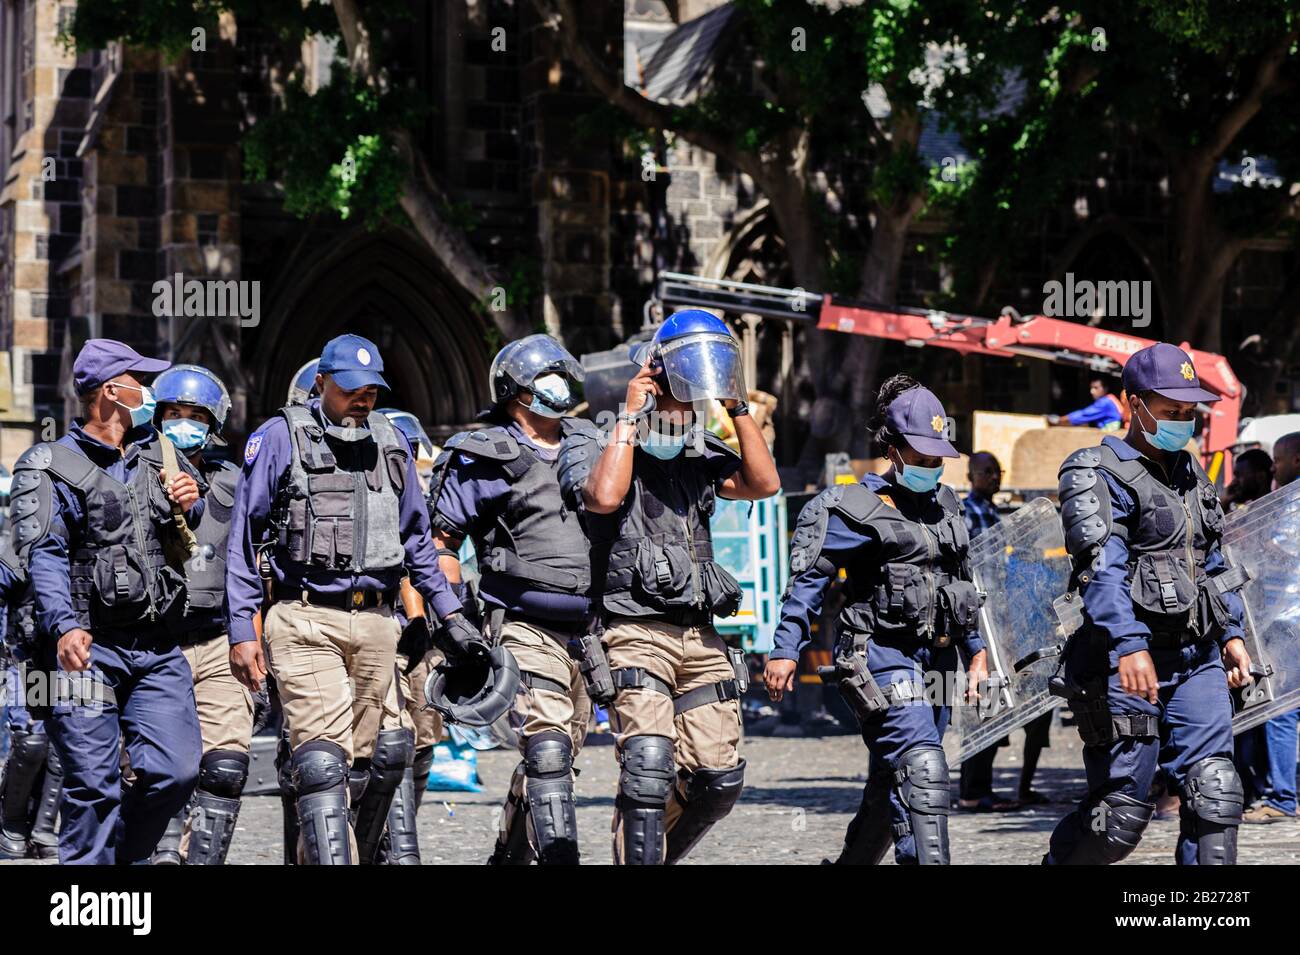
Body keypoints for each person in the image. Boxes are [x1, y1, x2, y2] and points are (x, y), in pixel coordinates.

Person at [225, 333, 473, 865]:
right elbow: (243, 541)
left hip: (377, 622)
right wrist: (243, 629)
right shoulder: (279, 437)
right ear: (322, 383)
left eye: (371, 391)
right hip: (304, 616)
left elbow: (416, 540)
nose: (362, 399)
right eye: (351, 389)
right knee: (320, 764)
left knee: (372, 762)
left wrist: (449, 614)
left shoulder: (391, 443)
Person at [559, 309, 780, 865]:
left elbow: (764, 483)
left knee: (718, 781)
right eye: (679, 393)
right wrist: (630, 419)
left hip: (701, 637)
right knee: (649, 766)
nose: (688, 408)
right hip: (632, 630)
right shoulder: (594, 439)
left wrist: (736, 405)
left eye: (696, 396)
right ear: (652, 384)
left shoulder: (699, 452)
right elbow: (604, 499)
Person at [764, 375, 989, 865]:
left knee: (893, 781)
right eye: (923, 454)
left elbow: (962, 587)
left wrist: (976, 654)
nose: (933, 466)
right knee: (924, 770)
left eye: (939, 456)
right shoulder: (851, 508)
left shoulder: (949, 507)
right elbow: (807, 582)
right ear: (891, 446)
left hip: (938, 661)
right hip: (878, 657)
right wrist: (785, 649)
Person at [1045, 343, 1252, 864]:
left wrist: (1231, 634)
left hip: (1196, 657)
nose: (1184, 420)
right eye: (1170, 410)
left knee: (1216, 792)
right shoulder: (1094, 470)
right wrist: (1129, 645)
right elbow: (1100, 569)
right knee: (1117, 817)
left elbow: (1212, 561)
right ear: (1132, 404)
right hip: (1125, 662)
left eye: (1189, 411)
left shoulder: (1192, 472)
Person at [9, 339, 204, 864]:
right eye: (138, 379)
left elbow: (185, 531)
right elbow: (43, 556)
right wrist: (65, 626)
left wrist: (191, 500)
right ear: (111, 391)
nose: (148, 390)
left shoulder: (158, 452)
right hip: (87, 649)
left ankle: (122, 861)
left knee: (177, 770)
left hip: (156, 647)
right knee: (94, 786)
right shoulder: (49, 464)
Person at [429, 335, 597, 865]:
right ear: (515, 391)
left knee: (557, 761)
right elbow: (442, 545)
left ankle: (508, 856)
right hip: (522, 621)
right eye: (546, 376)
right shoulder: (481, 455)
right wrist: (455, 621)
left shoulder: (596, 443)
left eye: (562, 374)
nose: (560, 385)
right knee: (546, 751)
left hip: (593, 630)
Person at [147, 364, 252, 865]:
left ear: (213, 424)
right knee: (163, 767)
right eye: (173, 414)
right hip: (154, 642)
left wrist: (250, 635)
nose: (183, 423)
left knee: (226, 766)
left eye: (194, 415)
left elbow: (250, 560)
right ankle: (160, 853)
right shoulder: (130, 471)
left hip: (217, 639)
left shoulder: (236, 480)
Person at [1242, 431, 1300, 823]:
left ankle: (1282, 799)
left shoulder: (1294, 501)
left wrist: (1247, 533)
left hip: (1289, 616)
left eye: (1277, 461)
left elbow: (1281, 550)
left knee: (1281, 708)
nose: (1273, 468)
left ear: (1295, 460)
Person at [0, 541, 60, 859]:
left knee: (64, 744)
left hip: (72, 655)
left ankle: (44, 827)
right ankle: (12, 824)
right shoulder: (28, 539)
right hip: (30, 656)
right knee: (32, 741)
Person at [1046, 377, 1126, 430]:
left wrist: (1058, 420)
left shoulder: (1105, 402)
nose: (1092, 391)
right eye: (1091, 388)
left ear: (1105, 389)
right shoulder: (1109, 400)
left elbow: (1083, 415)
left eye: (1096, 388)